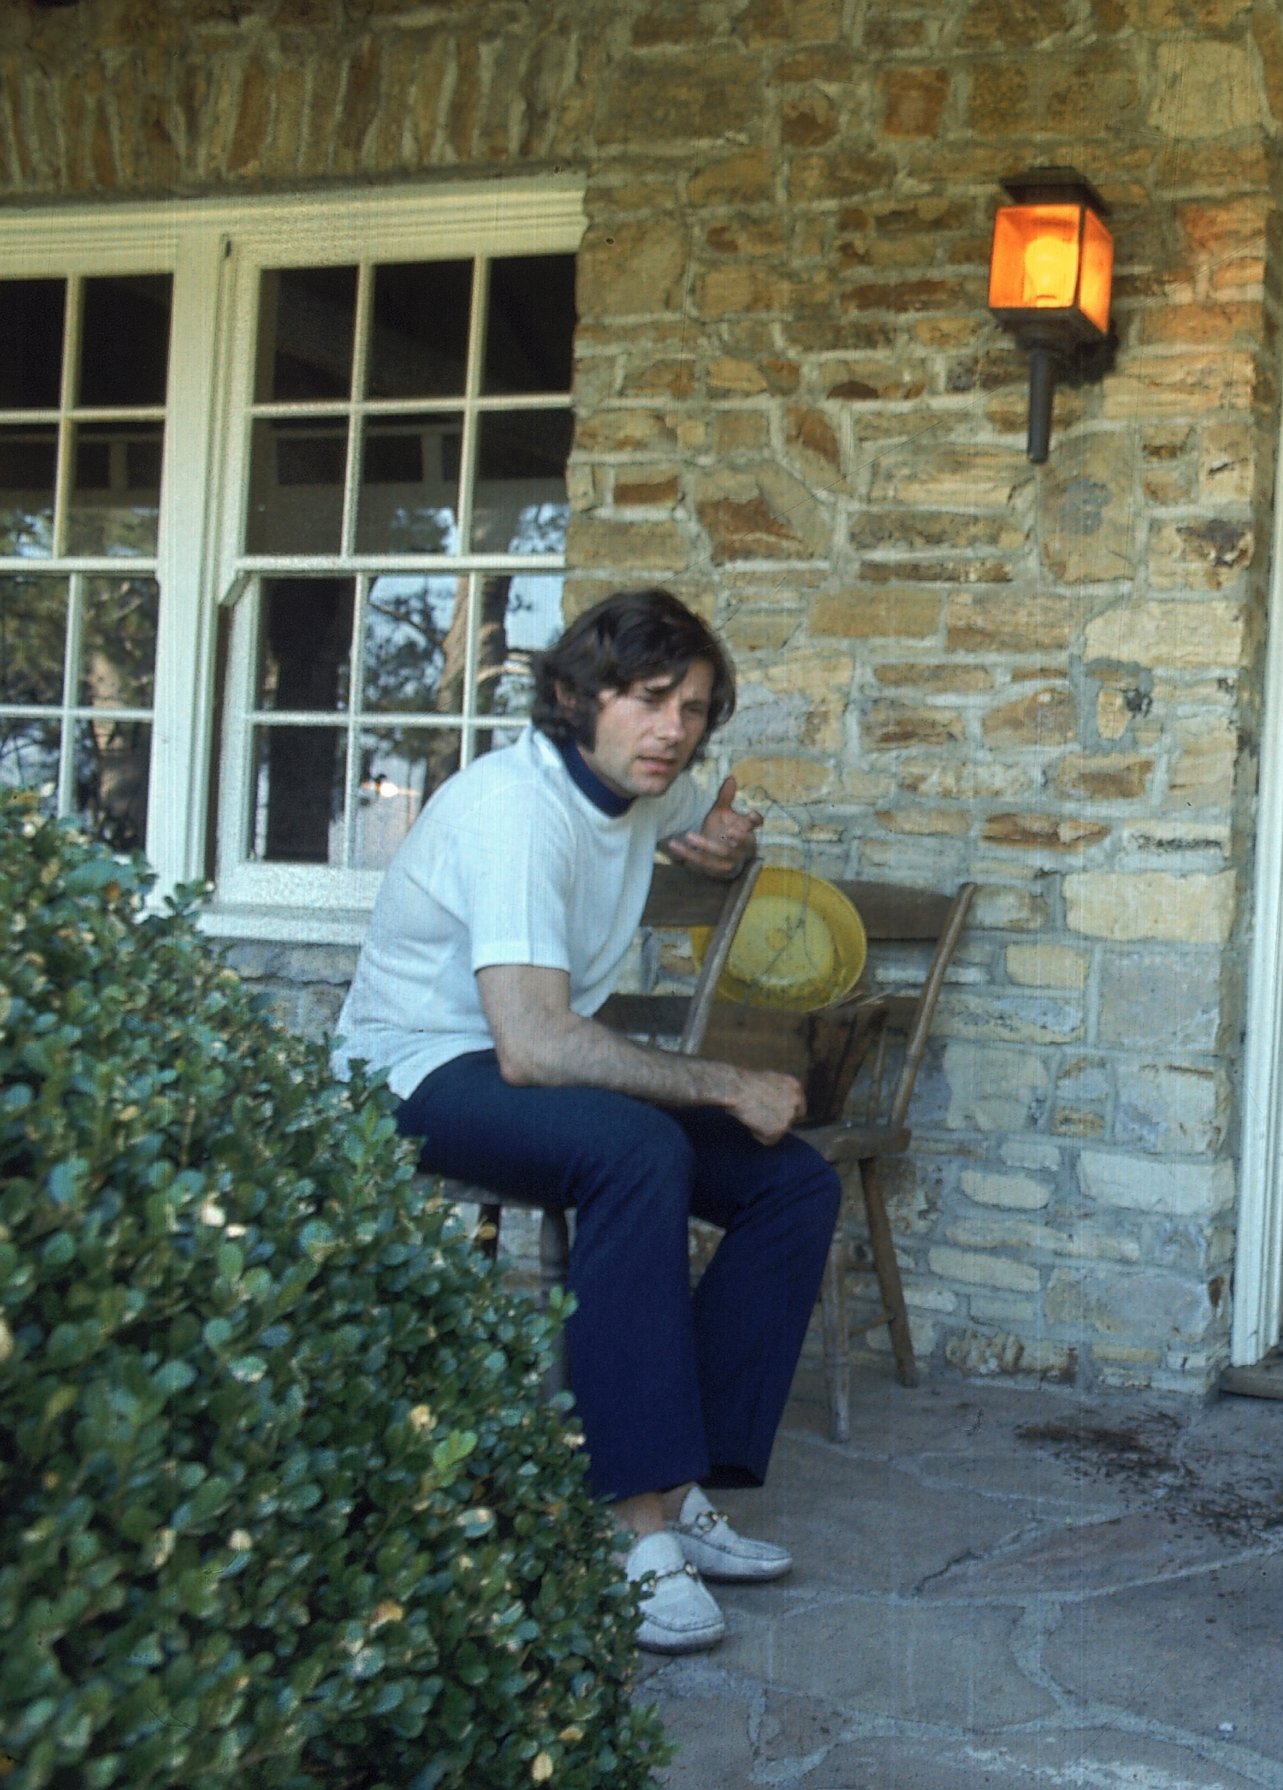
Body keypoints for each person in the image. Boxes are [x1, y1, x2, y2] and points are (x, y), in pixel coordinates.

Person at [333, 587, 839, 1655]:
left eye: (696, 708)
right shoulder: (515, 809)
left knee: (792, 1180)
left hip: (517, 1059)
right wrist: (723, 1081)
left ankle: (683, 1479)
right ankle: (633, 1529)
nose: (674, 729)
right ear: (574, 697)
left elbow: (691, 821)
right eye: (650, 699)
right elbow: (532, 1043)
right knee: (639, 1148)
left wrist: (721, 840)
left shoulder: (639, 782)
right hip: (416, 1067)